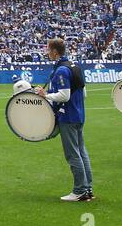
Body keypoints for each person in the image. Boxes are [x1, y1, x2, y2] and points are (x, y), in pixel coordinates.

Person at [35, 39, 92, 202]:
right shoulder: (75, 67)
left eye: (48, 50)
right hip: (79, 115)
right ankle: (87, 188)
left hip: (68, 117)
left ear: (54, 51)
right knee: (81, 152)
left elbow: (64, 95)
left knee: (73, 154)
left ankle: (80, 190)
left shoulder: (61, 70)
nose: (47, 52)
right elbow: (84, 94)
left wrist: (45, 95)